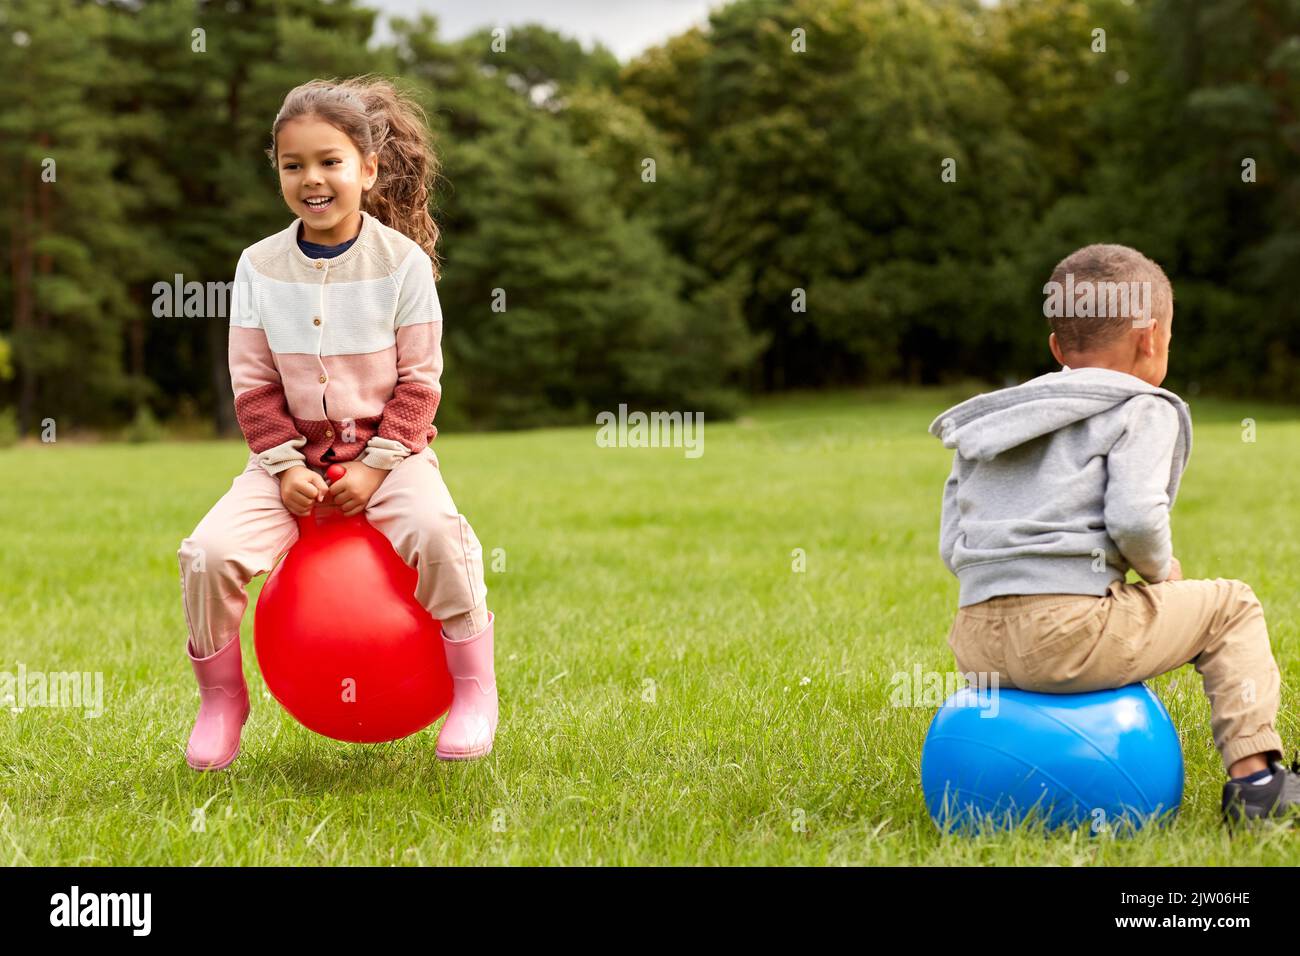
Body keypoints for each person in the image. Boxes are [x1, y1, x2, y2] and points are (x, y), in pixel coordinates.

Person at [177, 76, 497, 770]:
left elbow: (420, 382)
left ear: (368, 169)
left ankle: (474, 685)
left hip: (393, 457)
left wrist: (376, 465)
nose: (312, 179)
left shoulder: (402, 265)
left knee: (443, 534)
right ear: (278, 171)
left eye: (330, 162)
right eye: (294, 165)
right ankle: (222, 697)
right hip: (287, 465)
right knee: (206, 553)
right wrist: (287, 466)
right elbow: (254, 387)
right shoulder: (258, 267)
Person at [930, 243, 1298, 826]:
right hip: (1071, 637)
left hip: (977, 644)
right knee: (1231, 606)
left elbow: (953, 544)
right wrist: (1160, 571)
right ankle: (1259, 784)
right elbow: (1134, 518)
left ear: (1057, 348)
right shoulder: (1142, 407)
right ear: (1151, 339)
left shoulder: (992, 421)